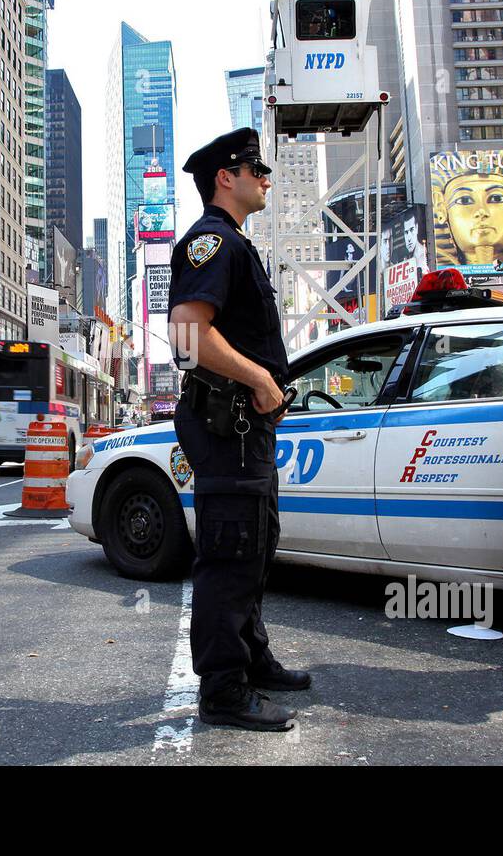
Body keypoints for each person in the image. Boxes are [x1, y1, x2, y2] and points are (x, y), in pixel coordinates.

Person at [168, 127, 307, 732]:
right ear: (227, 177)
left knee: (255, 542)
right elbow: (187, 333)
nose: (266, 178)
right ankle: (224, 689)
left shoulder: (233, 243)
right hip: (230, 423)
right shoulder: (211, 242)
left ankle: (250, 657)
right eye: (258, 170)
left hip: (244, 427)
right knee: (231, 553)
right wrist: (260, 379)